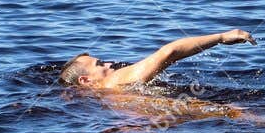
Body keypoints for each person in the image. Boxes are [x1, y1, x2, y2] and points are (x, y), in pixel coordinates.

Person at [59, 29, 255, 90]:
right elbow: (168, 53)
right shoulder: (113, 81)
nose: (110, 63)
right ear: (85, 80)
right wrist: (221, 38)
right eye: (100, 64)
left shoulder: (102, 99)